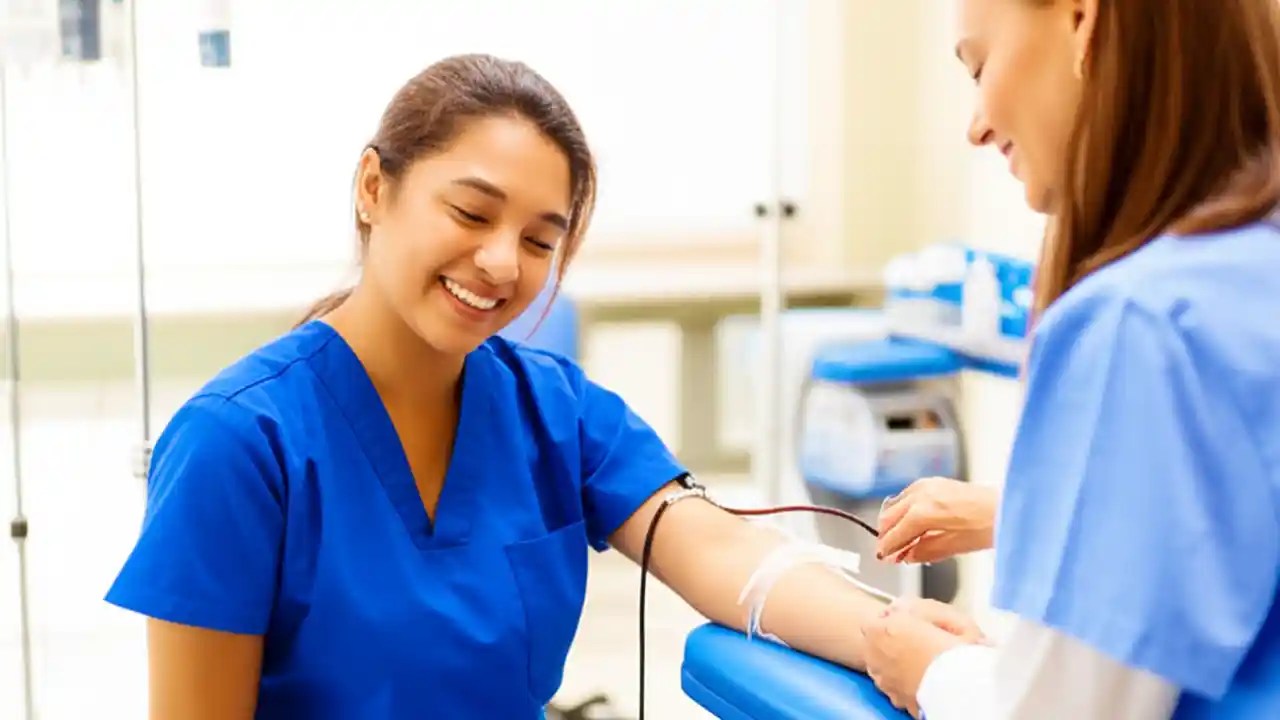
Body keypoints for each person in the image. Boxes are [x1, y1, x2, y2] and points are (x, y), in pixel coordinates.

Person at [103, 54, 895, 719]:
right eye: (471, 213)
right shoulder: (240, 444)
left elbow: (722, 549)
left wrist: (900, 643)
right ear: (373, 189)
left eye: (539, 239)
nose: (502, 264)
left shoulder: (557, 413)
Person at [859, 0, 1280, 717]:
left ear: (1085, 21)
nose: (977, 125)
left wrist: (930, 670)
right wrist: (1015, 513)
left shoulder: (1137, 322)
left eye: (981, 64)